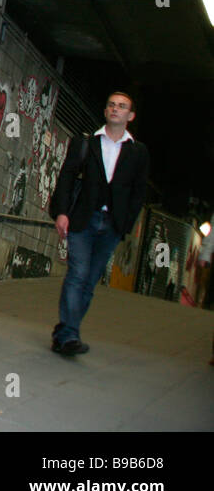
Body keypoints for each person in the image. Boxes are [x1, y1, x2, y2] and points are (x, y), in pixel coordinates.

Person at [49, 91, 150, 356]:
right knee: (77, 274)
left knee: (90, 281)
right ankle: (70, 334)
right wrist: (62, 212)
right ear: (106, 111)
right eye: (111, 105)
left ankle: (64, 333)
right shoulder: (86, 143)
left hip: (112, 225)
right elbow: (67, 177)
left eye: (122, 106)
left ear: (130, 116)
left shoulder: (138, 152)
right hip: (83, 218)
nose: (115, 109)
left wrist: (125, 224)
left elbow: (139, 192)